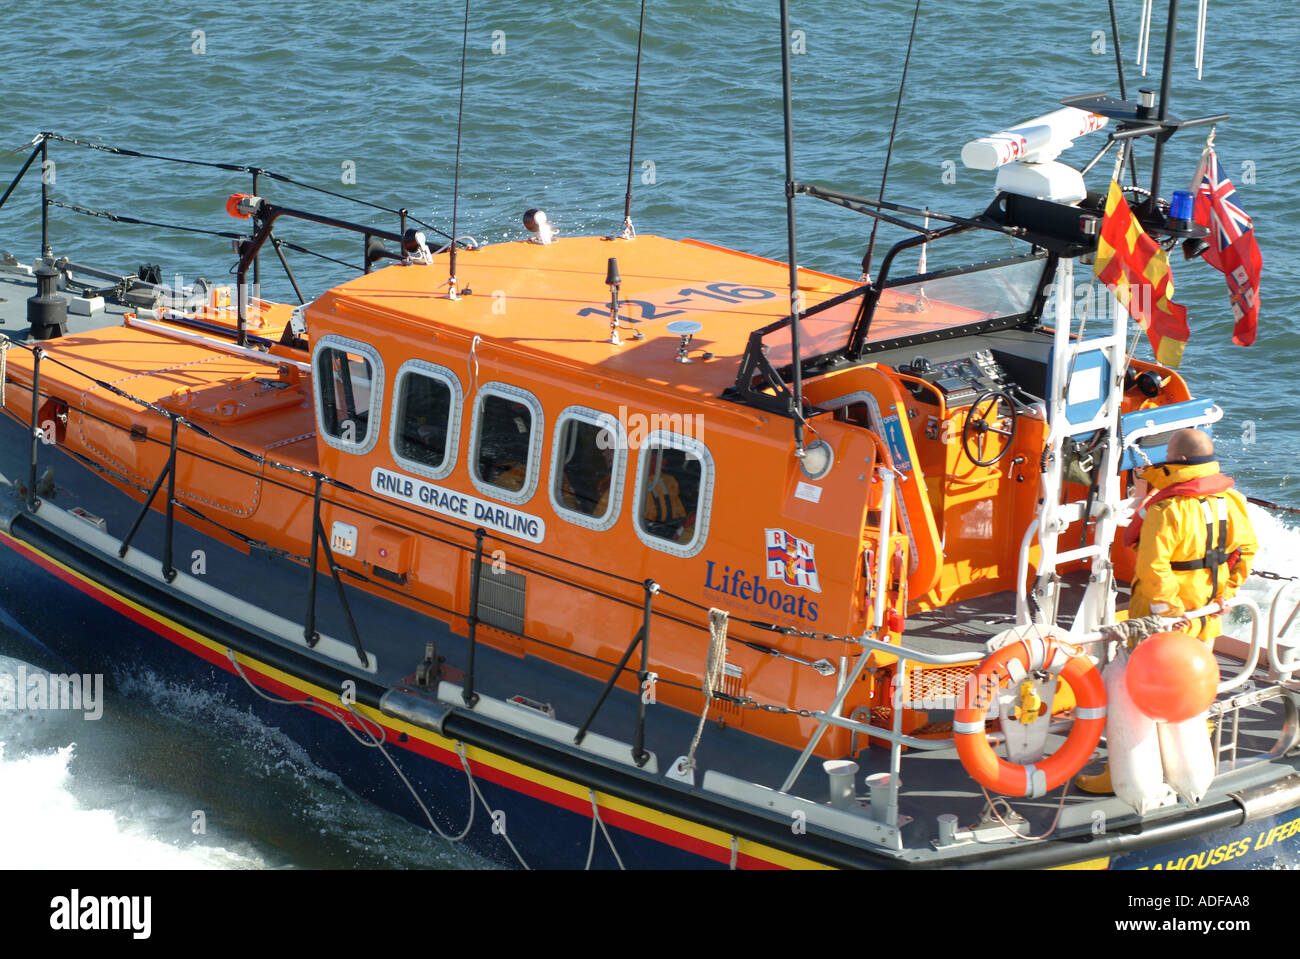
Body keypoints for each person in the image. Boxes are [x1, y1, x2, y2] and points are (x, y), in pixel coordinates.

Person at [1076, 427, 1257, 794]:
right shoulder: (1233, 501)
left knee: (1134, 693)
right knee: (1195, 689)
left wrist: (1165, 612)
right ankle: (1193, 764)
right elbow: (1246, 553)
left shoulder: (1166, 509)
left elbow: (1153, 569)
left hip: (1162, 621)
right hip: (1205, 615)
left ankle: (1120, 774)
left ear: (1179, 462)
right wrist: (1224, 593)